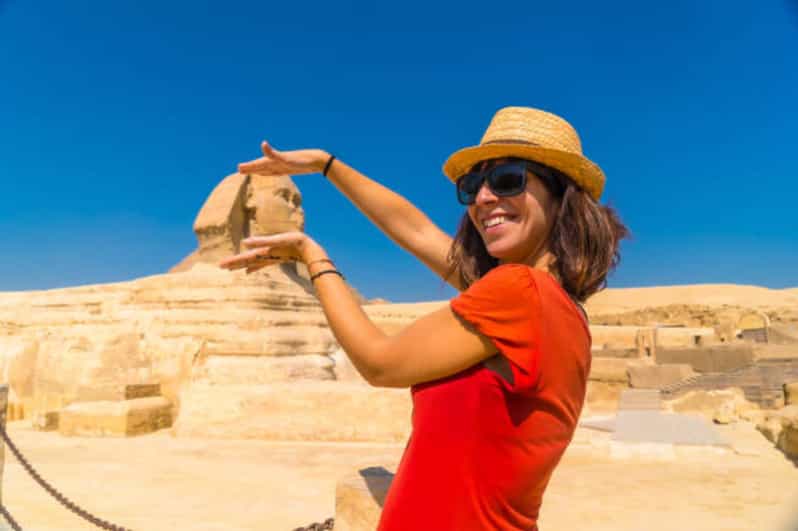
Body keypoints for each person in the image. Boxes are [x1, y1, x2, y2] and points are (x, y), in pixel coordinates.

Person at [220, 106, 629, 530]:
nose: (485, 198)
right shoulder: (554, 306)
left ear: (562, 194)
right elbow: (416, 231)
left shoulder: (518, 294)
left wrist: (313, 258)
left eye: (509, 179)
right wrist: (328, 166)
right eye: (473, 186)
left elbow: (379, 362)